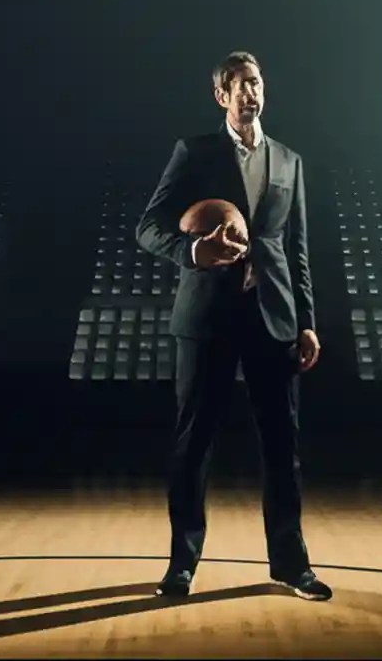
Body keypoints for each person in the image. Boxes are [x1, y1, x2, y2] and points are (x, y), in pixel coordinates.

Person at [135, 51, 331, 601]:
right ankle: (182, 564)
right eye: (239, 85)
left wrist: (308, 322)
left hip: (274, 318)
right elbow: (148, 228)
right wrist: (194, 250)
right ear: (221, 96)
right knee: (193, 442)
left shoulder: (289, 162)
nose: (250, 92)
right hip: (207, 318)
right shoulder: (193, 152)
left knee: (281, 448)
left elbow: (297, 250)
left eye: (257, 82)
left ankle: (293, 565)